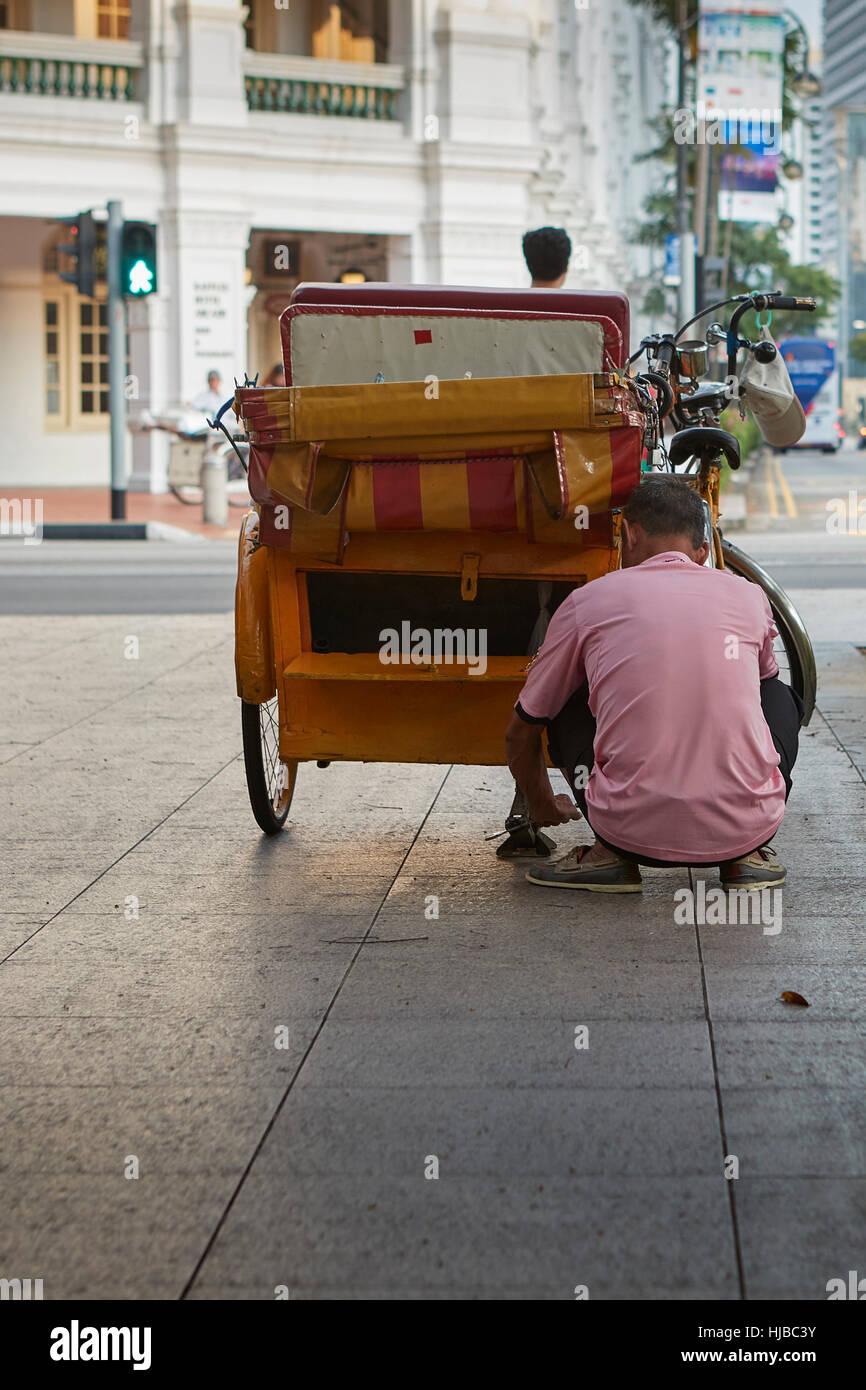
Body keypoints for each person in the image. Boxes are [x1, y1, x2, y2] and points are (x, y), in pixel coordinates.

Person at [505, 476, 802, 892]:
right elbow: (762, 684)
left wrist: (540, 805)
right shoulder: (750, 596)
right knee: (774, 690)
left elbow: (523, 728)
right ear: (702, 550)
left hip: (624, 828)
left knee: (562, 695)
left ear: (628, 534)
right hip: (749, 826)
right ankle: (745, 857)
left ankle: (607, 857)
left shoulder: (588, 602)